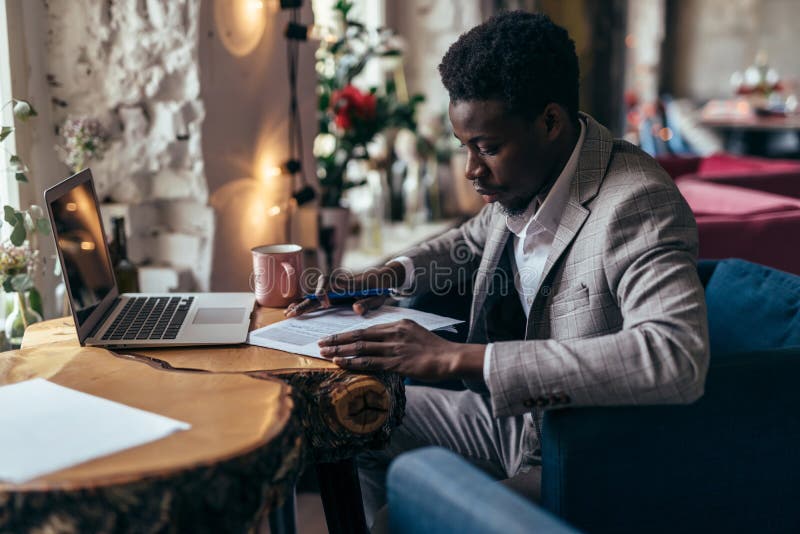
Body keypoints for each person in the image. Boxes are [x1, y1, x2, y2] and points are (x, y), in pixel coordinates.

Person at [287, 11, 709, 526]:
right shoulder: (531, 176)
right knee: (356, 417)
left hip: (585, 453)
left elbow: (674, 356)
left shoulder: (637, 202)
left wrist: (458, 359)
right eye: (464, 147)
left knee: (400, 520)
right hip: (515, 423)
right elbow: (470, 240)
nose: (471, 170)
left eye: (487, 148)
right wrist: (386, 276)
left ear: (550, 122)